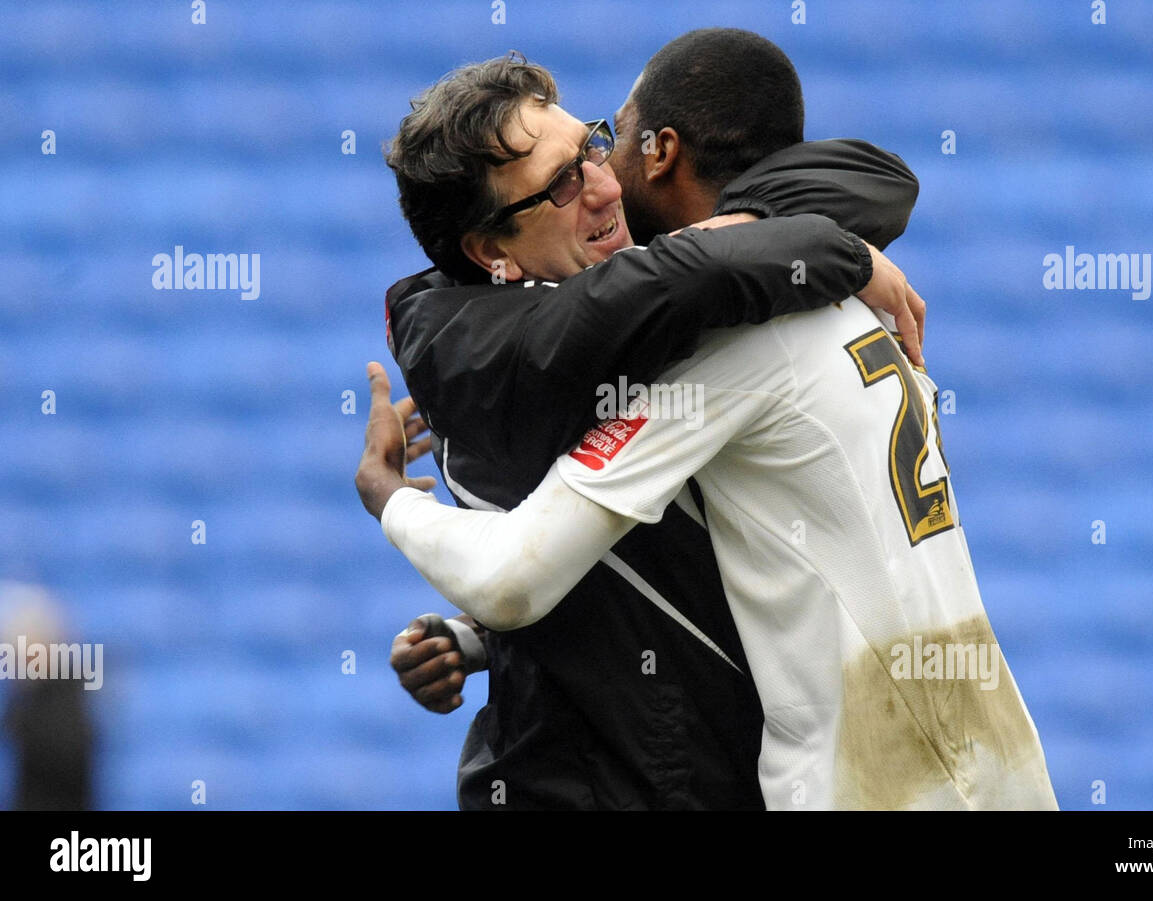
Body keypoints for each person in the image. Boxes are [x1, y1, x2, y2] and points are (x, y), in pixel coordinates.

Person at [360, 33, 1058, 810]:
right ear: (491, 251)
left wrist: (392, 496)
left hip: (848, 775)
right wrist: (477, 637)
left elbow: (522, 573)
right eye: (560, 184)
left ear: (665, 155)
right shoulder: (777, 297)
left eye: (595, 146)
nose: (603, 183)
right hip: (989, 758)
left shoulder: (714, 327)